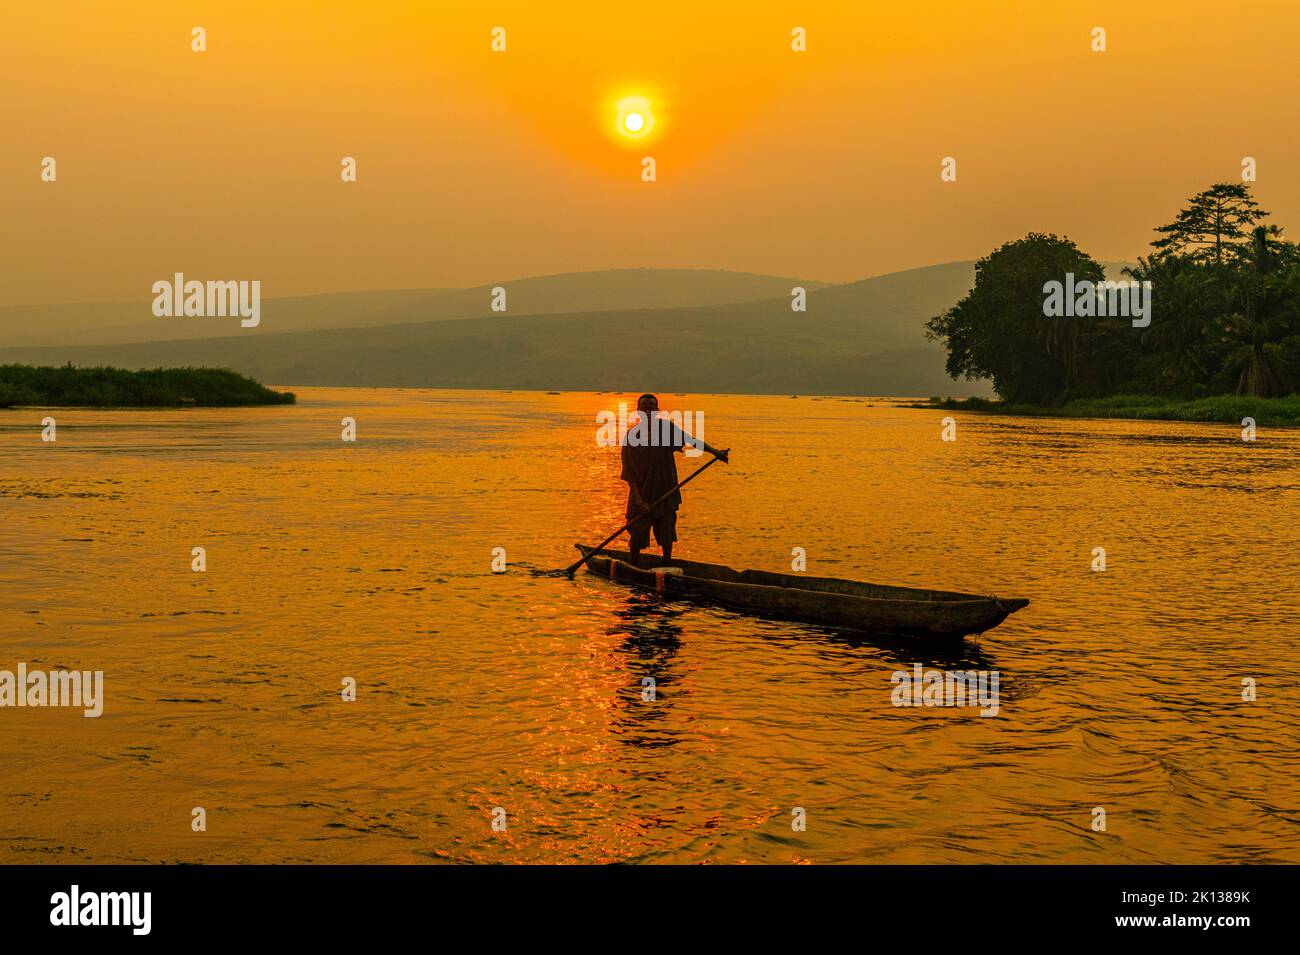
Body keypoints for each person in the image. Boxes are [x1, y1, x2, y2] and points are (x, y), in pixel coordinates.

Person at [620, 393, 728, 564]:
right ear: (638, 411)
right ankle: (633, 566)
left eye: (651, 408)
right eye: (644, 408)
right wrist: (639, 501)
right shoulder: (631, 437)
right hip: (641, 495)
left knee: (667, 533)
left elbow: (690, 440)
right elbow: (629, 474)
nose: (648, 411)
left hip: (666, 491)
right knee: (637, 534)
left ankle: (667, 565)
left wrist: (715, 452)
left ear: (657, 411)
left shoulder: (667, 429)